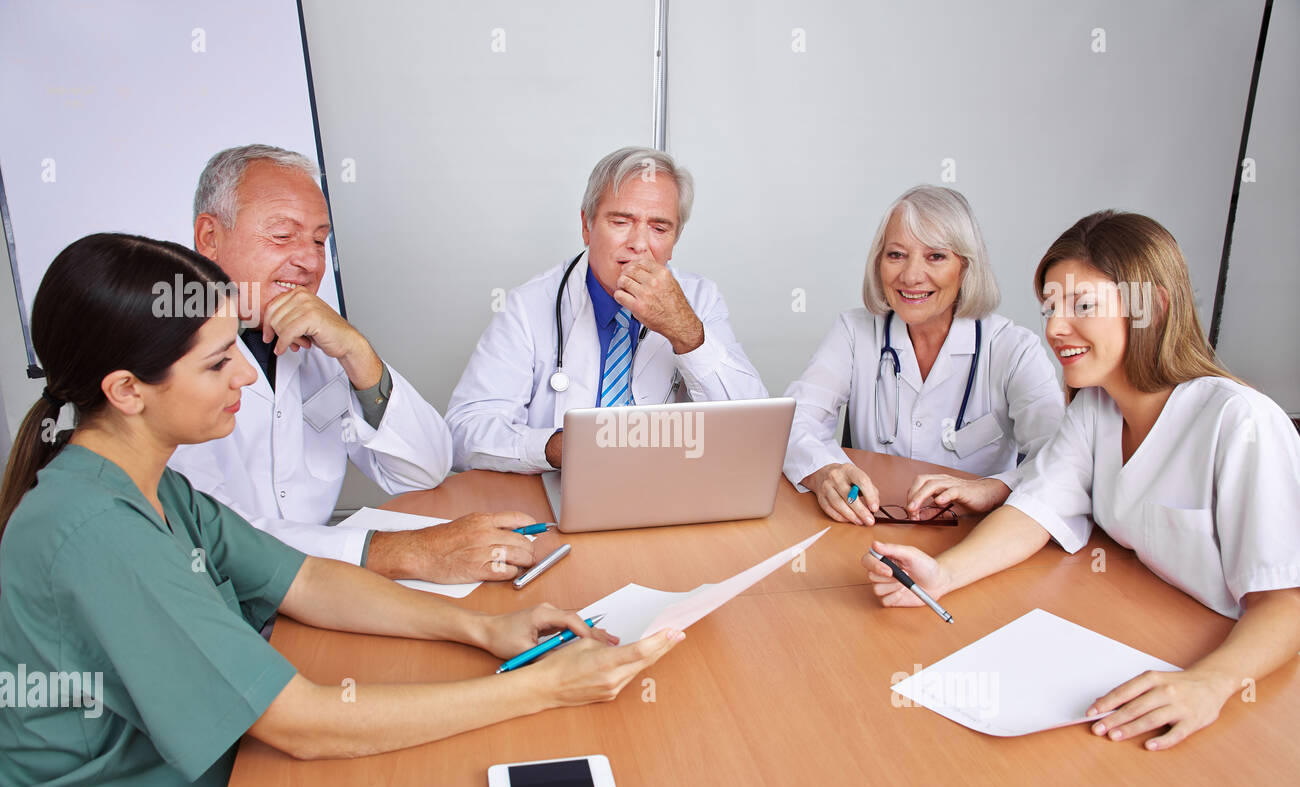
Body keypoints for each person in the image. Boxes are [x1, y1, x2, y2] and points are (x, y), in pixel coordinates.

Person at [0, 234, 682, 787]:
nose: (245, 375)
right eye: (217, 363)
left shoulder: (154, 488)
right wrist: (542, 689)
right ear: (127, 391)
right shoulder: (96, 533)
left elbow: (304, 581)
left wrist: (482, 628)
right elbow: (301, 723)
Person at [865, 211, 1300, 750]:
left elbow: (1285, 602)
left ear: (1153, 308)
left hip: (1240, 679)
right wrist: (942, 574)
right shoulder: (1096, 408)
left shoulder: (1240, 422)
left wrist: (1210, 683)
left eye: (1082, 306)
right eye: (1050, 307)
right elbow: (1033, 512)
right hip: (1155, 638)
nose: (1053, 327)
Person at [169, 145, 539, 584]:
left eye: (319, 241)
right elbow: (215, 536)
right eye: (283, 235)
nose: (308, 260)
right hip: (216, 597)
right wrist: (405, 551)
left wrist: (356, 352)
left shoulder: (318, 338)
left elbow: (425, 470)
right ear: (209, 236)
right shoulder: (159, 349)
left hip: (317, 585)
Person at [446, 146, 768, 473]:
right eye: (621, 221)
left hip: (666, 491)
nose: (639, 244)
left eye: (659, 228)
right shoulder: (528, 305)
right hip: (558, 494)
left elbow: (755, 433)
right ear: (586, 225)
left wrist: (685, 333)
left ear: (675, 239)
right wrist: (553, 447)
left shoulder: (700, 299)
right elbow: (463, 434)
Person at [783, 185, 1065, 524]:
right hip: (869, 526)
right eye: (896, 255)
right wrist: (823, 471)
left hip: (975, 536)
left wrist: (993, 489)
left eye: (936, 256)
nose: (911, 276)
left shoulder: (1014, 349)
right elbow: (792, 423)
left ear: (966, 266)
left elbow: (1059, 459)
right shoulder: (854, 332)